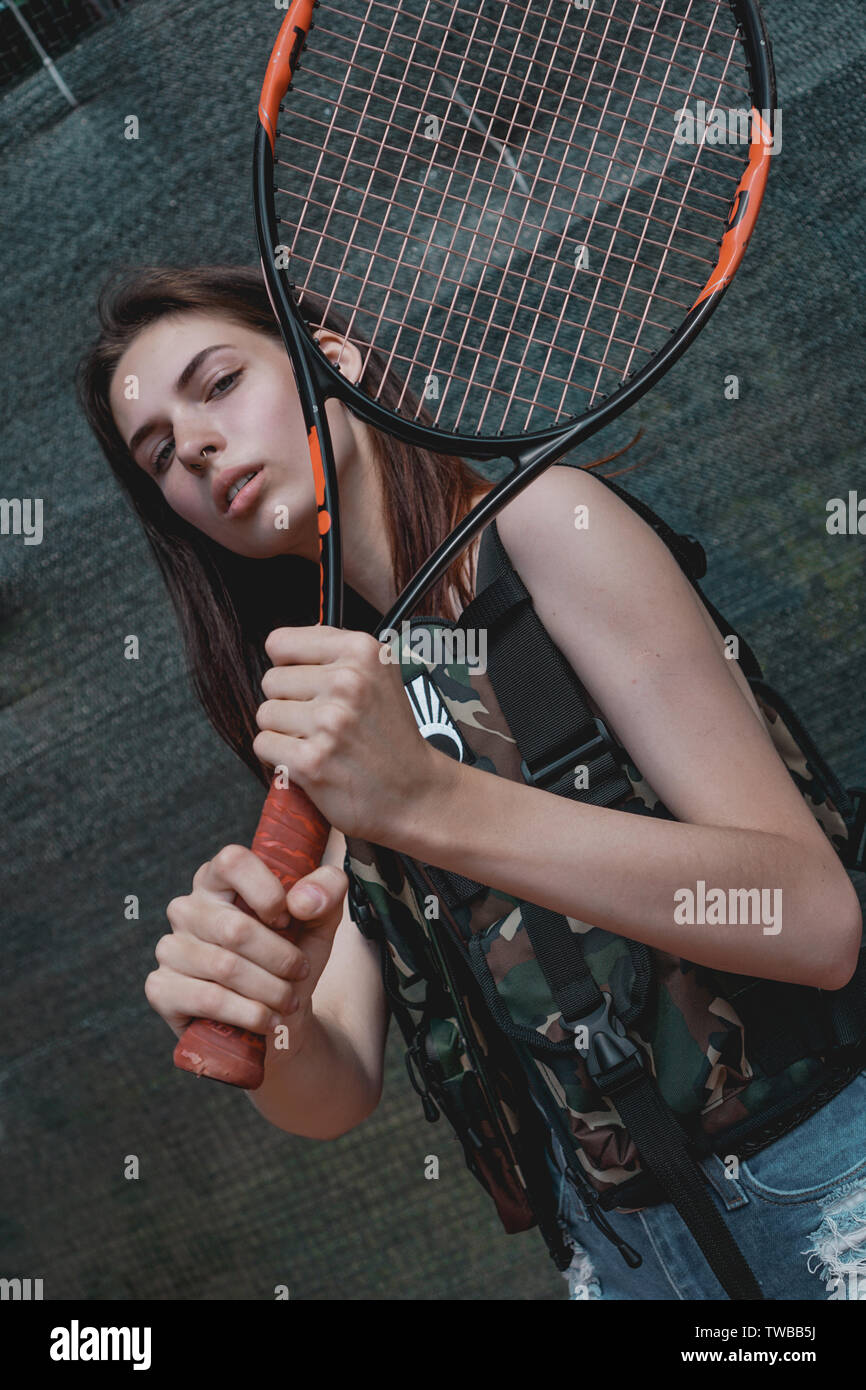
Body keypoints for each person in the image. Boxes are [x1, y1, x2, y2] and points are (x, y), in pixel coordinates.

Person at [77, 263, 866, 1300]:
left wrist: (427, 802)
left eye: (218, 383)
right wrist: (273, 1013)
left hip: (814, 1186)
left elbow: (811, 922)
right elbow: (334, 1089)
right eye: (160, 455)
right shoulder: (328, 700)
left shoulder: (545, 528)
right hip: (624, 1251)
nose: (196, 446)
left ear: (334, 358)